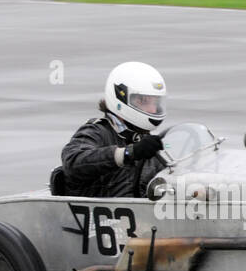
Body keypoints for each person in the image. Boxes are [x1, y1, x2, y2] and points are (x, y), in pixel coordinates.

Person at [60, 62, 169, 198]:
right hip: (93, 209)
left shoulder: (148, 144)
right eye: (143, 101)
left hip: (139, 210)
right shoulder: (97, 132)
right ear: (120, 97)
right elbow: (72, 163)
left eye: (155, 102)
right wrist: (128, 153)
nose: (153, 110)